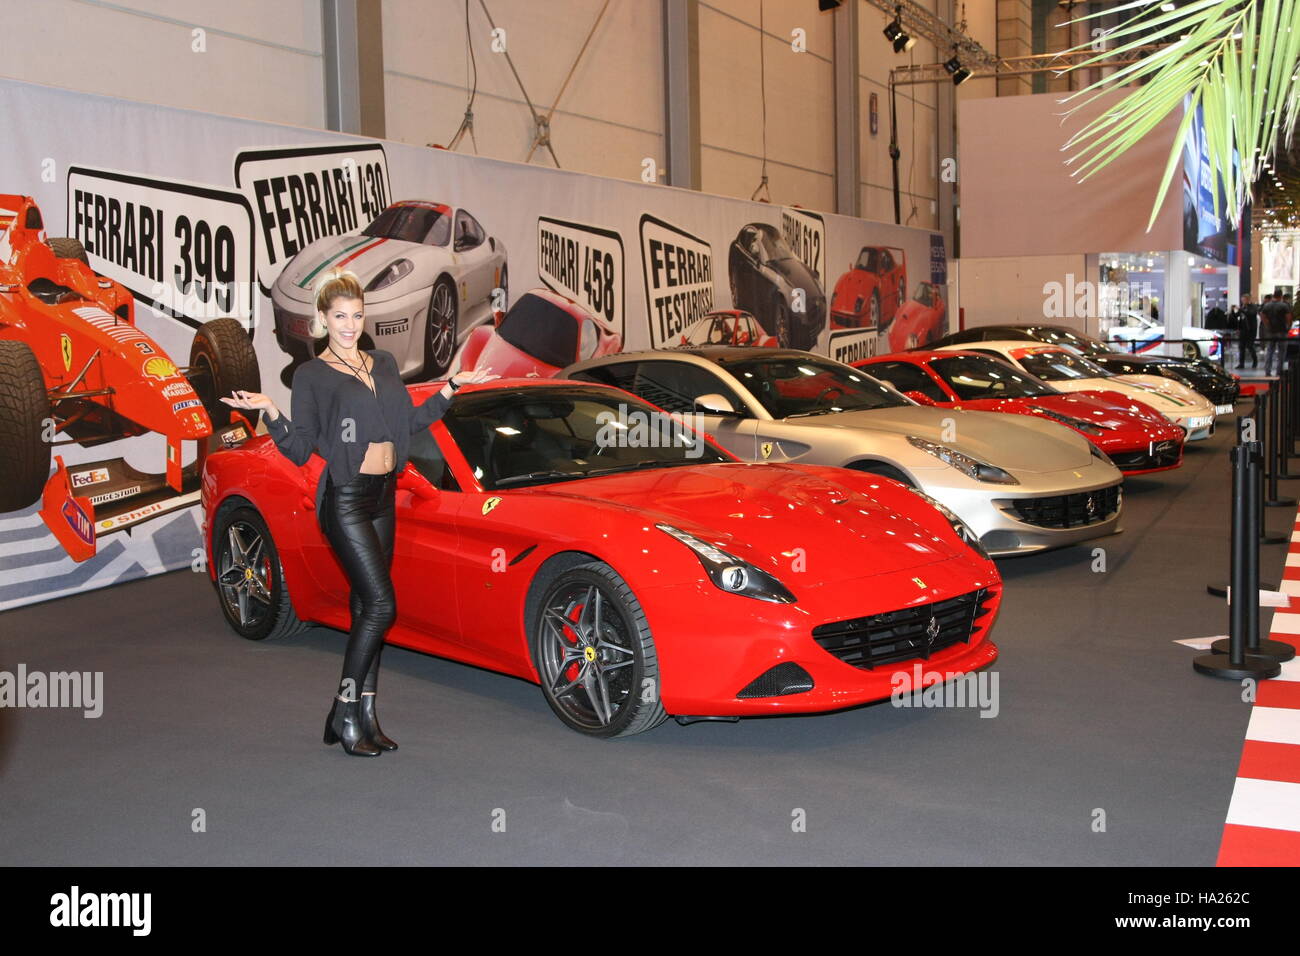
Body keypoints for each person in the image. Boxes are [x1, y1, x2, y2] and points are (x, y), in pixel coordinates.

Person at [221, 270, 497, 756]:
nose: (350, 324)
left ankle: (366, 714)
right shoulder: (311, 376)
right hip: (345, 497)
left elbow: (408, 425)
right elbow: (302, 447)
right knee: (384, 605)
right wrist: (268, 408)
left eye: (357, 314)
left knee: (364, 606)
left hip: (383, 496)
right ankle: (343, 709)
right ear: (323, 320)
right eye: (340, 316)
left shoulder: (384, 363)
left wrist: (453, 385)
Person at [1262, 292, 1287, 375]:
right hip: (1281, 330)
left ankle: (1267, 371)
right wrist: (1288, 327)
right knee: (1281, 352)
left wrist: (1267, 325)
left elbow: (1263, 316)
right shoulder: (1283, 305)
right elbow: (1289, 317)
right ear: (1281, 296)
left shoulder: (1267, 305)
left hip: (1270, 331)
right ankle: (1279, 371)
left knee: (1269, 351)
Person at [1236, 294, 1258, 370]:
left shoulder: (1253, 307)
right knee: (1241, 347)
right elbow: (1239, 317)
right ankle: (1241, 363)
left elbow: (1250, 314)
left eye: (1244, 300)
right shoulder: (1242, 307)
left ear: (1248, 299)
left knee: (1250, 346)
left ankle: (1255, 361)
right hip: (1243, 330)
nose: (1243, 301)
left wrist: (1241, 310)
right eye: (1242, 300)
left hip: (1250, 330)